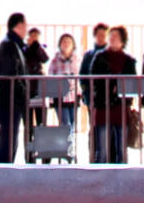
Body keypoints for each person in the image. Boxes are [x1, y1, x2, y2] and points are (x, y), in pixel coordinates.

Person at [89, 25, 137, 164]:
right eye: (111, 36)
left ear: (122, 40)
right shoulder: (99, 57)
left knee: (122, 149)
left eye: (116, 36)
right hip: (103, 106)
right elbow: (94, 80)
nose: (112, 38)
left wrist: (122, 90)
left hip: (121, 108)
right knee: (102, 150)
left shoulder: (129, 60)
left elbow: (132, 83)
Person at [0, 12, 28, 162]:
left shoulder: (12, 44)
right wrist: (23, 93)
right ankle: (1, 176)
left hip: (11, 101)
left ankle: (3, 173)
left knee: (10, 141)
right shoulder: (9, 45)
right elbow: (11, 75)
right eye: (25, 25)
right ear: (19, 25)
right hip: (10, 102)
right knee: (8, 143)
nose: (27, 29)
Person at [80, 22, 108, 162]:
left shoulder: (111, 53)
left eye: (104, 34)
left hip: (108, 99)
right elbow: (83, 77)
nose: (101, 37)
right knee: (95, 127)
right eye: (99, 34)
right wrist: (86, 96)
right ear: (95, 36)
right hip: (93, 98)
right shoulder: (89, 55)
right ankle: (94, 156)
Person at [24, 26, 50, 158]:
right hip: (27, 91)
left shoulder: (41, 49)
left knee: (41, 123)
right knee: (28, 126)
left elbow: (45, 59)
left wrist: (37, 46)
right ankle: (29, 156)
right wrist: (30, 47)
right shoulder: (24, 49)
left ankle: (44, 154)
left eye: (36, 37)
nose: (34, 39)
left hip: (39, 91)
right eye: (32, 36)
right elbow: (24, 60)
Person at [48, 33, 78, 130]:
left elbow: (80, 78)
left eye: (69, 42)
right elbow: (50, 79)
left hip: (73, 95)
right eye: (64, 41)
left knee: (73, 123)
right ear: (60, 44)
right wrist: (51, 99)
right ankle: (67, 144)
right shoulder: (55, 60)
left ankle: (71, 144)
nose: (66, 44)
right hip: (60, 96)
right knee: (66, 123)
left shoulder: (77, 60)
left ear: (73, 45)